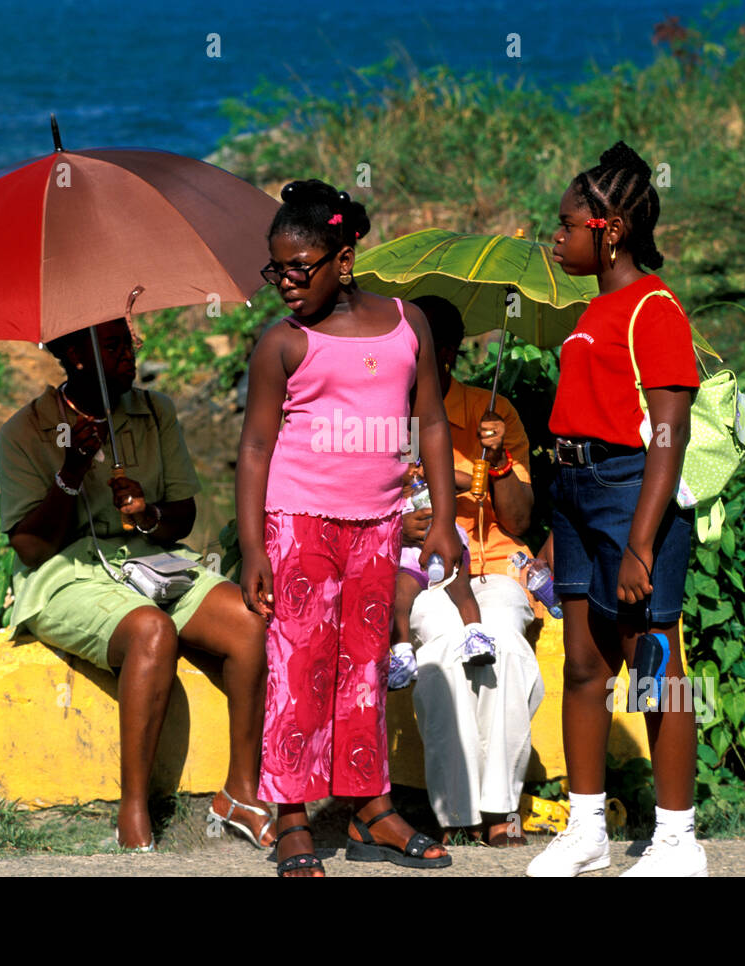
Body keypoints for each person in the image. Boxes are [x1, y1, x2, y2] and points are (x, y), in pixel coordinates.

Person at [236, 179, 463, 877]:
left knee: (364, 669)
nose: (285, 283)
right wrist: (251, 546)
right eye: (276, 269)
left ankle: (370, 805)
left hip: (379, 526)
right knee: (299, 669)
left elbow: (429, 421)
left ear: (344, 257)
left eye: (299, 268)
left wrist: (445, 518)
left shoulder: (406, 324)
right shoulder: (283, 343)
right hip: (300, 525)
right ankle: (293, 817)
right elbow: (254, 449)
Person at [0, 317, 273, 853]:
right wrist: (72, 468)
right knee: (151, 631)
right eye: (116, 346)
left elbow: (183, 516)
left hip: (149, 559)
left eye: (130, 342)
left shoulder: (154, 412)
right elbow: (31, 548)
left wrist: (146, 514)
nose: (131, 354)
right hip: (65, 573)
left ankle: (241, 791)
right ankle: (135, 811)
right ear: (76, 356)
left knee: (247, 622)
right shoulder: (25, 431)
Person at [527, 141, 704, 877]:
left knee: (656, 669)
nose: (556, 238)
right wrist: (551, 528)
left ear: (609, 231)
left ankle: (676, 840)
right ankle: (588, 827)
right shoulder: (595, 308)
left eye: (567, 226)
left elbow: (670, 430)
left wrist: (638, 543)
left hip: (631, 495)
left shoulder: (653, 307)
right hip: (572, 497)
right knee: (583, 667)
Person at [395, 294, 546, 848]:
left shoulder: (492, 412)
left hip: (497, 561)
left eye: (420, 350)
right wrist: (397, 531)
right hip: (427, 569)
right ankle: (455, 809)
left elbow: (521, 517)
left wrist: (500, 459)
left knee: (504, 642)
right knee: (443, 646)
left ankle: (498, 804)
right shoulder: (381, 418)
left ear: (449, 354)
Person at [390, 460, 495, 676]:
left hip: (446, 550)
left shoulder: (435, 486)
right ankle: (402, 654)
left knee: (462, 591)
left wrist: (434, 470)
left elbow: (472, 483)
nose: (412, 470)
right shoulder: (390, 498)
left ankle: (476, 636)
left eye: (416, 463)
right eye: (404, 464)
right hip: (412, 562)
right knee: (398, 598)